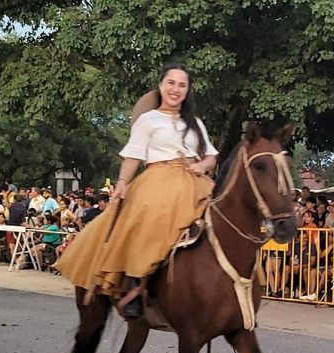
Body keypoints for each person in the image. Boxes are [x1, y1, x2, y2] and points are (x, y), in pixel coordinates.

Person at [56, 63, 217, 317]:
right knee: (149, 215)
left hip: (193, 179)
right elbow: (133, 155)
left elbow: (210, 155)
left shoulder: (195, 122)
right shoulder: (149, 120)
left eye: (182, 85)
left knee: (222, 217)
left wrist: (202, 166)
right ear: (161, 86)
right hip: (158, 177)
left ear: (188, 90)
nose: (176, 89)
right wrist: (121, 183)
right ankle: (135, 283)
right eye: (171, 83)